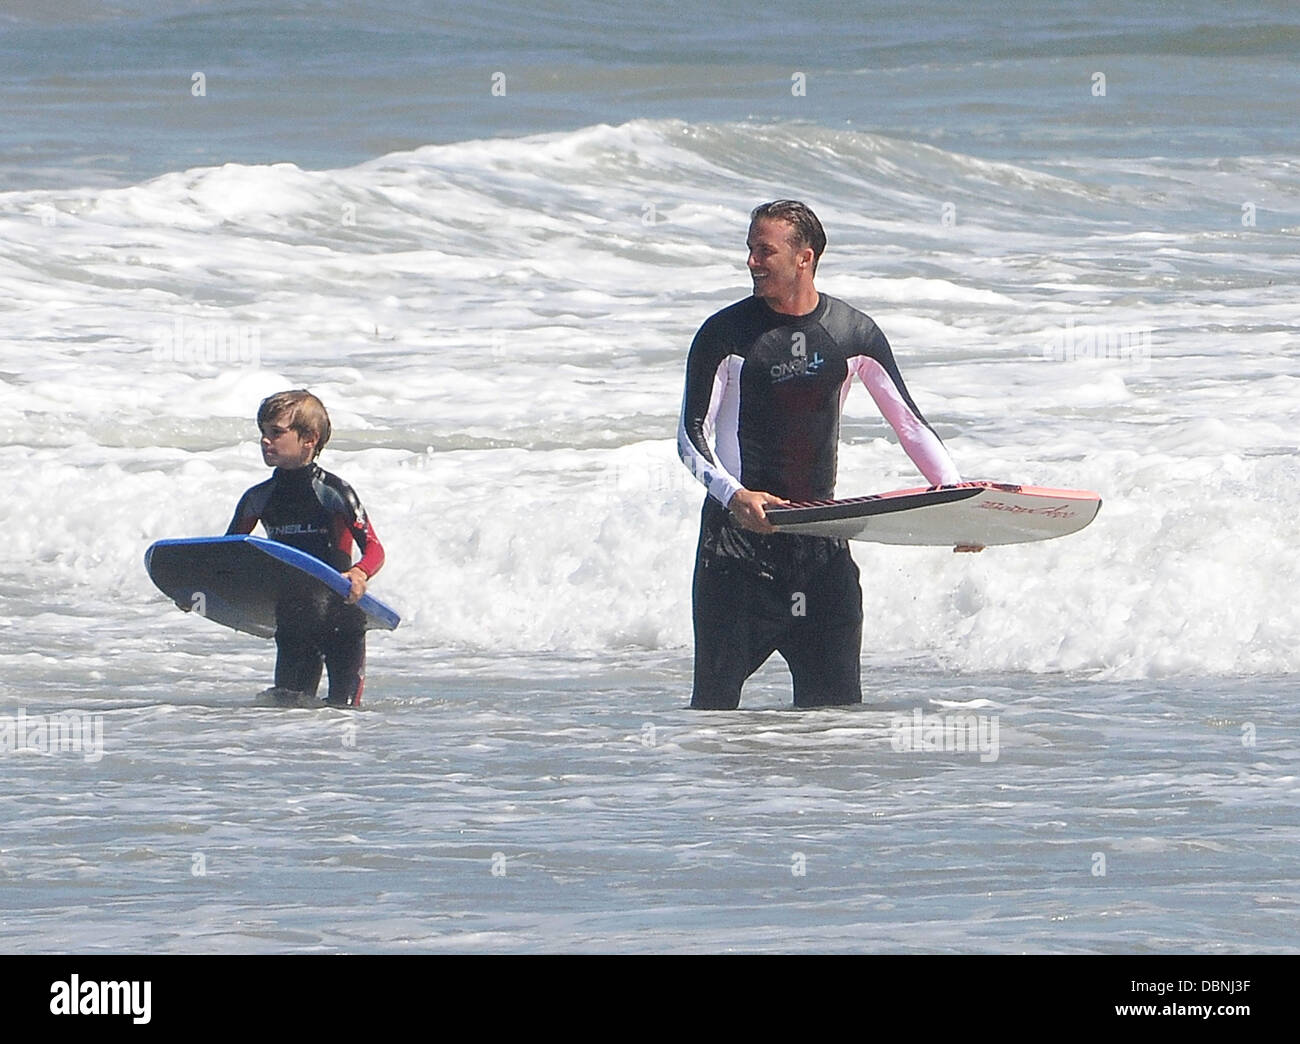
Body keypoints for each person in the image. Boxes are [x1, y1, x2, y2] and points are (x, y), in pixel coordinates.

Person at [677, 200, 967, 710]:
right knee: (714, 723)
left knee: (834, 725)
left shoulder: (853, 334)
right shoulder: (724, 335)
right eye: (749, 250)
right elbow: (689, 435)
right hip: (735, 554)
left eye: (764, 251)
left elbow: (910, 424)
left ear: (804, 258)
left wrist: (958, 503)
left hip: (819, 549)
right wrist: (734, 495)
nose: (751, 262)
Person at [226, 390, 385, 706]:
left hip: (342, 619)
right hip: (293, 620)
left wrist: (359, 572)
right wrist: (196, 589)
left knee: (344, 712)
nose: (265, 441)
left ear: (309, 439)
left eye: (276, 433)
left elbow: (375, 549)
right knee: (288, 713)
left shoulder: (334, 493)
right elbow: (231, 554)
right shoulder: (259, 498)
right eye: (263, 433)